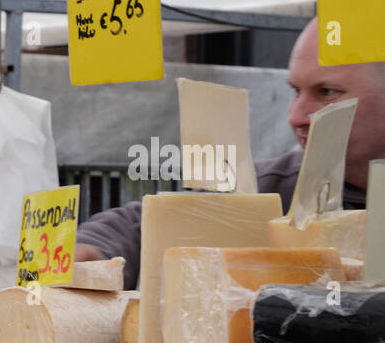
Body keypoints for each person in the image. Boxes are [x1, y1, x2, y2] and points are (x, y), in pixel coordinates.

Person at [76, 19, 385, 288]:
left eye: (327, 93)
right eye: (295, 91)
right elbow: (145, 223)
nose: (296, 115)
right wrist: (94, 249)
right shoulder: (274, 189)